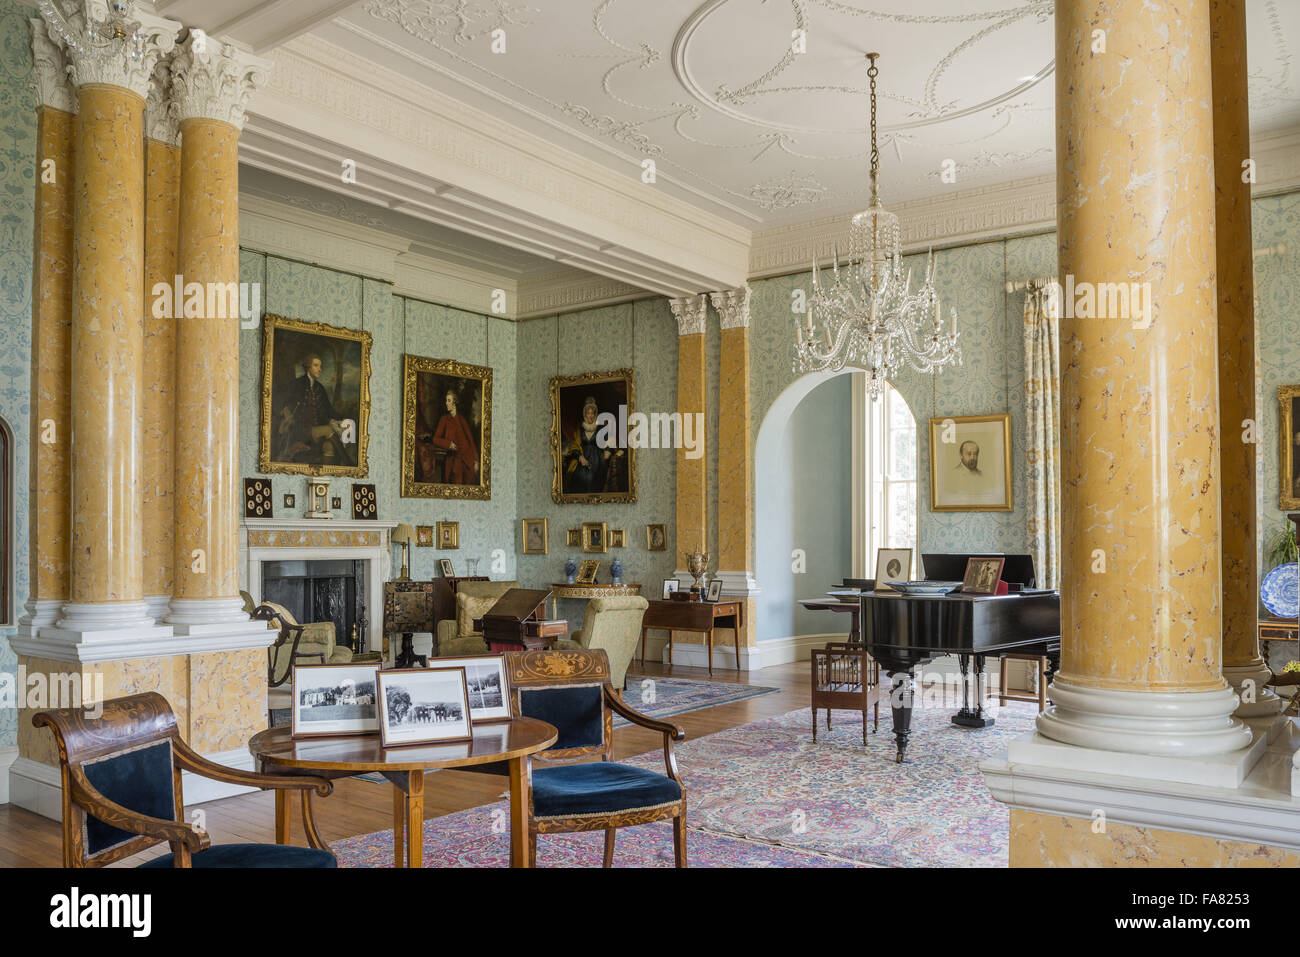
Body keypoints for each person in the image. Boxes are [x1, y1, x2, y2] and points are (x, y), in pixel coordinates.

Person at [276, 352, 354, 465]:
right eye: (316, 365)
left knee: (329, 446)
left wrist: (345, 420)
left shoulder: (320, 387)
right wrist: (286, 413)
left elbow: (329, 409)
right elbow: (280, 401)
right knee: (329, 429)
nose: (320, 369)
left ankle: (327, 475)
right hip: (299, 430)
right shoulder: (296, 384)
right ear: (308, 367)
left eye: (320, 366)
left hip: (316, 430)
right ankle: (348, 462)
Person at [431, 389, 479, 485]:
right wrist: (448, 444)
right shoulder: (444, 420)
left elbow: (470, 441)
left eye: (449, 400)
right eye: (446, 401)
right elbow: (435, 439)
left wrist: (476, 461)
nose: (446, 403)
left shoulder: (462, 420)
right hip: (453, 461)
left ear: (455, 402)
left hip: (467, 460)